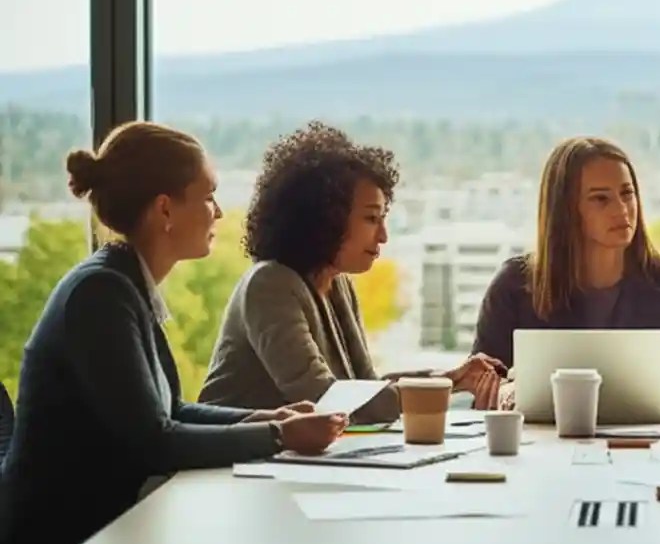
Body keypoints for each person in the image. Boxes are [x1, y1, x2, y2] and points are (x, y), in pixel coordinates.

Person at [0, 122, 345, 544]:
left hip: (106, 530)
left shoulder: (122, 282)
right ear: (165, 209)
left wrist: (265, 418)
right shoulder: (101, 294)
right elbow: (156, 441)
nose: (218, 212)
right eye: (208, 196)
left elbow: (170, 410)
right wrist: (280, 437)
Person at [199, 122, 502, 422]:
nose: (383, 236)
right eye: (371, 219)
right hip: (233, 453)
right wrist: (443, 386)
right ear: (324, 217)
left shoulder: (337, 283)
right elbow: (325, 400)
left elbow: (364, 387)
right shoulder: (270, 285)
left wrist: (451, 378)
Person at [471, 136, 660, 412]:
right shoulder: (514, 286)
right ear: (565, 210)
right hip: (543, 437)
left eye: (627, 193)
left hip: (652, 437)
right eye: (600, 199)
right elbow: (483, 383)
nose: (621, 210)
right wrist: (507, 393)